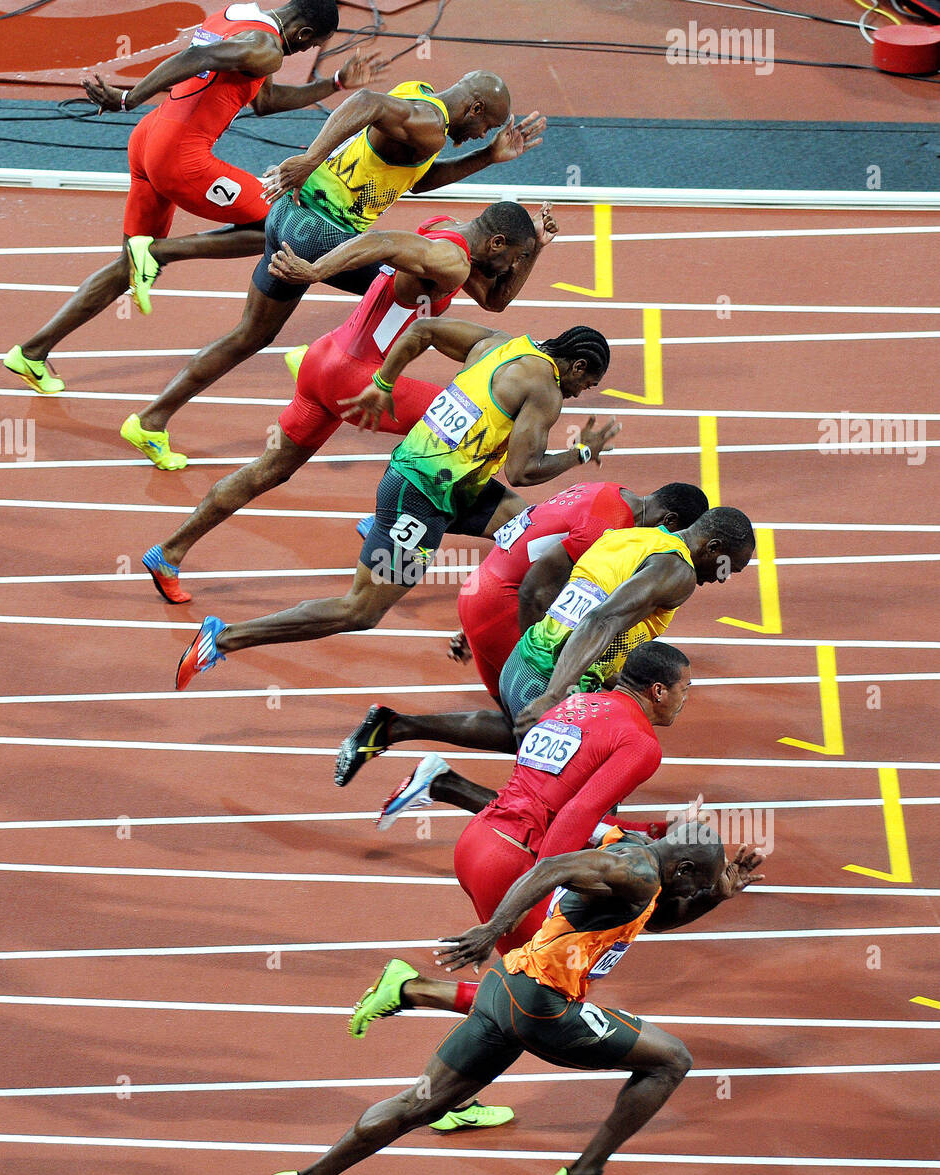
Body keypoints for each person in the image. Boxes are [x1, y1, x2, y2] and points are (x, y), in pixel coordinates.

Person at [267, 821, 765, 1175]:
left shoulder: (641, 862)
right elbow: (551, 867)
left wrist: (717, 895)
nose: (694, 893)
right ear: (678, 869)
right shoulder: (637, 872)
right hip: (543, 1007)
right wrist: (493, 929)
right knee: (671, 1061)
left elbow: (657, 916)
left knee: (413, 1107)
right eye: (695, 884)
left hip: (504, 992)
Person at [347, 640, 697, 1134]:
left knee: (529, 989)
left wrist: (649, 831)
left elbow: (561, 801)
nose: (688, 698)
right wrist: (549, 886)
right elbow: (575, 814)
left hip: (480, 840)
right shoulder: (642, 745)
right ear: (659, 691)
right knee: (544, 995)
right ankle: (412, 992)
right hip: (515, 859)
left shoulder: (577, 704)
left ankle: (446, 1087)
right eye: (686, 688)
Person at [140, 200, 559, 603]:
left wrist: (536, 248)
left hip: (324, 360)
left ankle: (170, 551)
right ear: (497, 244)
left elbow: (496, 301)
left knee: (267, 471)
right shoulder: (452, 261)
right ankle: (389, 520)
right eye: (515, 259)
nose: (511, 269)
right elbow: (383, 242)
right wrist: (314, 270)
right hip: (354, 377)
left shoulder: (444, 232)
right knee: (471, 422)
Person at [122, 71, 547, 466]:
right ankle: (320, 354)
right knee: (425, 281)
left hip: (287, 215)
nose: (479, 135)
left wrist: (488, 156)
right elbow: (363, 100)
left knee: (249, 335)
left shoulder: (417, 97)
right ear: (473, 109)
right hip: (319, 233)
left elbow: (417, 179)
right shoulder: (430, 125)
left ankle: (150, 421)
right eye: (485, 129)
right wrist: (310, 158)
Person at [172, 318, 613, 689]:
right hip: (420, 494)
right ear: (576, 365)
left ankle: (489, 629)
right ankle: (223, 637)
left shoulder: (501, 344)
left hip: (455, 482)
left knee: (534, 533)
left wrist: (384, 382)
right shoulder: (546, 391)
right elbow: (523, 471)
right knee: (361, 610)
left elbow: (422, 330)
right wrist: (582, 453)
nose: (579, 394)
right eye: (585, 384)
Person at [3, 0, 377, 396]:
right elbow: (196, 60)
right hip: (180, 156)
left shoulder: (236, 16)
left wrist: (335, 83)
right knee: (282, 223)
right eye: (314, 44)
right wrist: (129, 97)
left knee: (129, 264)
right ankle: (161, 254)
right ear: (303, 32)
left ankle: (32, 351)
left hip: (150, 139)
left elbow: (266, 102)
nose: (310, 49)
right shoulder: (266, 47)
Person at [334, 506, 755, 819]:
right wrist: (556, 692)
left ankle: (395, 726)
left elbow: (547, 576)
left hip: (527, 655)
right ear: (712, 547)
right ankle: (444, 785)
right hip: (557, 680)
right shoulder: (677, 572)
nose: (723, 578)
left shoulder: (634, 537)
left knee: (524, 738)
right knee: (570, 814)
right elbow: (602, 618)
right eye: (728, 568)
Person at [448, 478, 709, 699]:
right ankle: (416, 735)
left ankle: (419, 740)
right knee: (558, 719)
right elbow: (536, 591)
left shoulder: (605, 491)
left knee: (517, 725)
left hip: (483, 589)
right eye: (675, 538)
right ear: (670, 521)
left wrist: (479, 617)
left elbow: (531, 544)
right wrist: (540, 655)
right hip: (504, 604)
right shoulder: (608, 528)